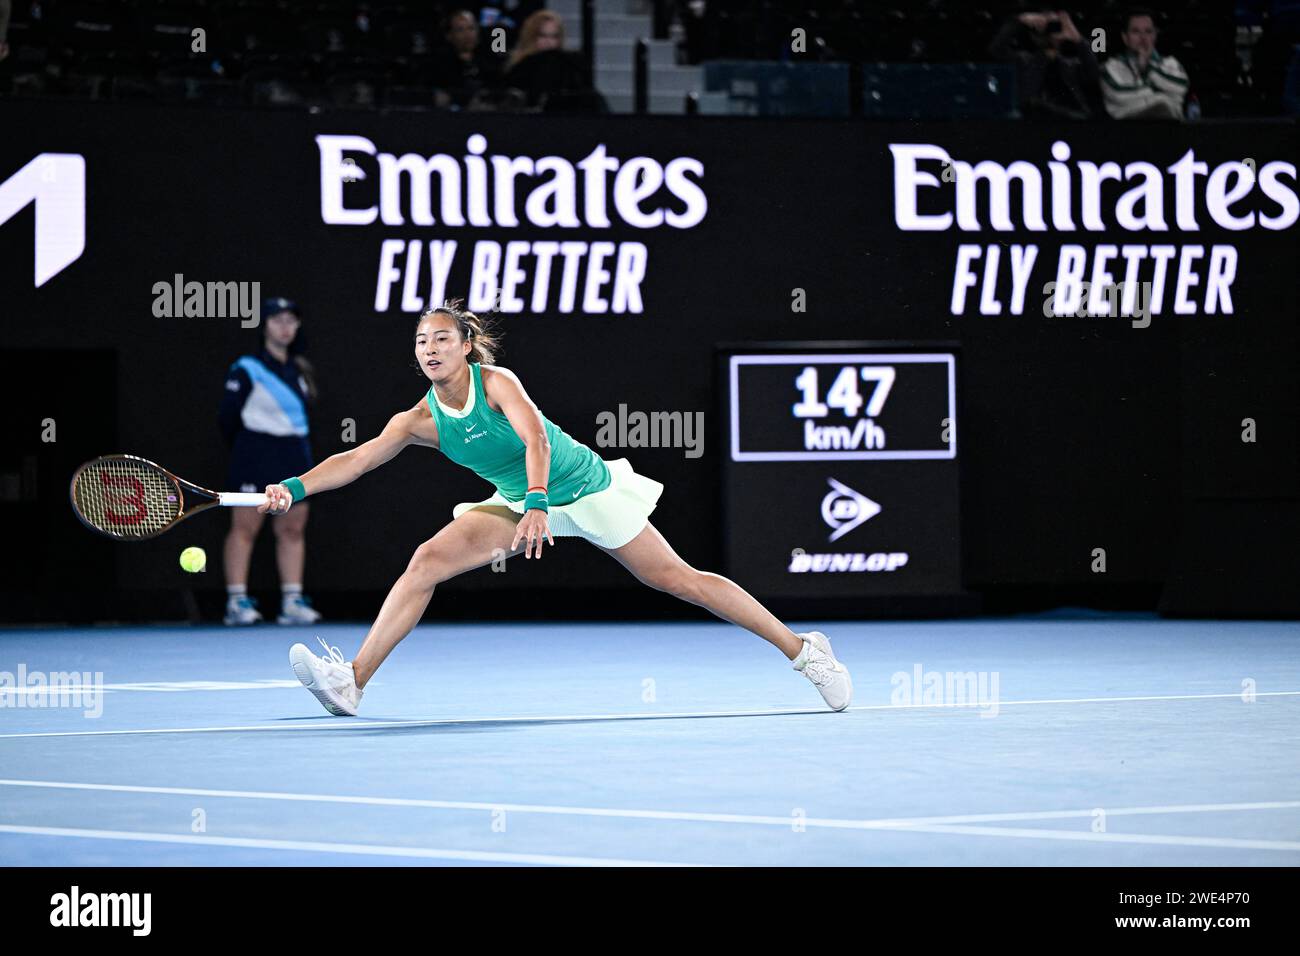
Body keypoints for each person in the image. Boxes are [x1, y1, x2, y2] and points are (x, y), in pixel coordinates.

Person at [267, 300, 852, 716]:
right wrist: (294, 487)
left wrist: (540, 503)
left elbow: (536, 442)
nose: (431, 348)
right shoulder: (416, 420)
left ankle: (805, 651)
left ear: (466, 346)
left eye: (443, 338)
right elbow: (359, 460)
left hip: (582, 490)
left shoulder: (496, 383)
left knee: (680, 580)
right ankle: (353, 682)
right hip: (521, 500)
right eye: (422, 341)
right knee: (426, 561)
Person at [218, 297, 323, 626]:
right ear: (265, 326)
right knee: (245, 528)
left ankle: (292, 601)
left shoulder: (301, 369)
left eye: (291, 320)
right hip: (255, 453)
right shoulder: (247, 367)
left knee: (292, 529)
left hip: (295, 455)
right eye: (277, 320)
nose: (285, 327)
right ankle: (237, 602)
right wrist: (251, 448)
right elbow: (227, 418)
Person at [990, 8, 1103, 120]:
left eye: (1056, 26)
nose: (1051, 31)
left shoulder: (1071, 64)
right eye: (1048, 26)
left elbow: (1094, 74)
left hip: (1071, 121)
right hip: (1030, 122)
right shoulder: (1024, 60)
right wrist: (1019, 20)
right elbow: (996, 49)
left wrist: (1078, 40)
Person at [1101, 8, 1190, 119]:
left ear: (1154, 36)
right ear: (1125, 38)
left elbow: (1181, 88)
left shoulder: (1170, 63)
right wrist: (1163, 95)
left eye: (1148, 31)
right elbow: (1119, 95)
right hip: (1128, 132)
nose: (1143, 38)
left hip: (1169, 131)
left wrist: (1148, 67)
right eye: (1136, 31)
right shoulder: (1112, 66)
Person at [431, 9, 501, 110]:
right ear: (449, 35)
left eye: (471, 28)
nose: (467, 35)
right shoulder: (438, 65)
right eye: (460, 30)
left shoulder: (491, 62)